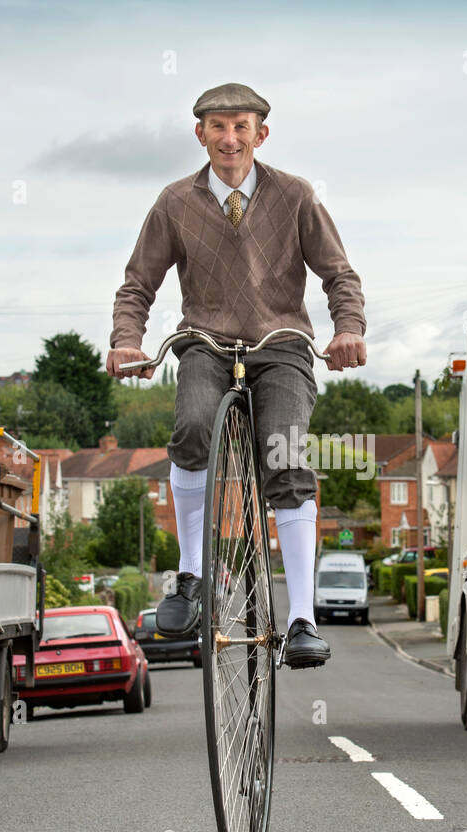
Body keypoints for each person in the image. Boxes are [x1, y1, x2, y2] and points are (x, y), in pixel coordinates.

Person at [106, 83, 367, 668]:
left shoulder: (295, 195)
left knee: (288, 457)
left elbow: (339, 276)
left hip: (282, 346)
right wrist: (128, 341)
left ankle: (302, 618)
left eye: (240, 126)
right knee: (195, 426)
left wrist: (347, 327)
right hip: (206, 344)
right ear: (200, 134)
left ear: (260, 134)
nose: (229, 138)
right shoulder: (174, 202)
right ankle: (192, 577)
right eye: (217, 127)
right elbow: (137, 285)